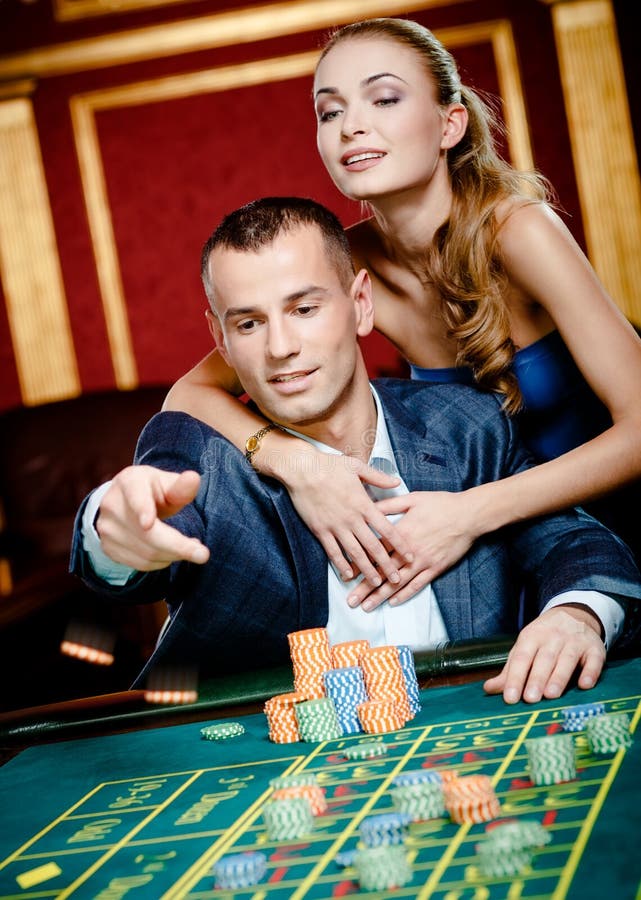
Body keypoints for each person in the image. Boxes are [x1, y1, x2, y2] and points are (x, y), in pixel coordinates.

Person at [71, 197, 641, 705]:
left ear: (361, 304)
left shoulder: (468, 426)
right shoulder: (202, 449)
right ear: (221, 339)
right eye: (248, 323)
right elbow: (147, 511)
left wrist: (576, 613)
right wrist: (114, 529)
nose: (281, 348)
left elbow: (572, 540)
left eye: (304, 309)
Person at [163, 17, 641, 614]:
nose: (352, 125)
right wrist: (300, 466)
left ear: (450, 123)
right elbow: (187, 395)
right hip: (493, 558)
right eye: (329, 112)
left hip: (613, 536)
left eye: (384, 98)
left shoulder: (520, 231)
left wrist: (470, 513)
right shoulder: (348, 263)